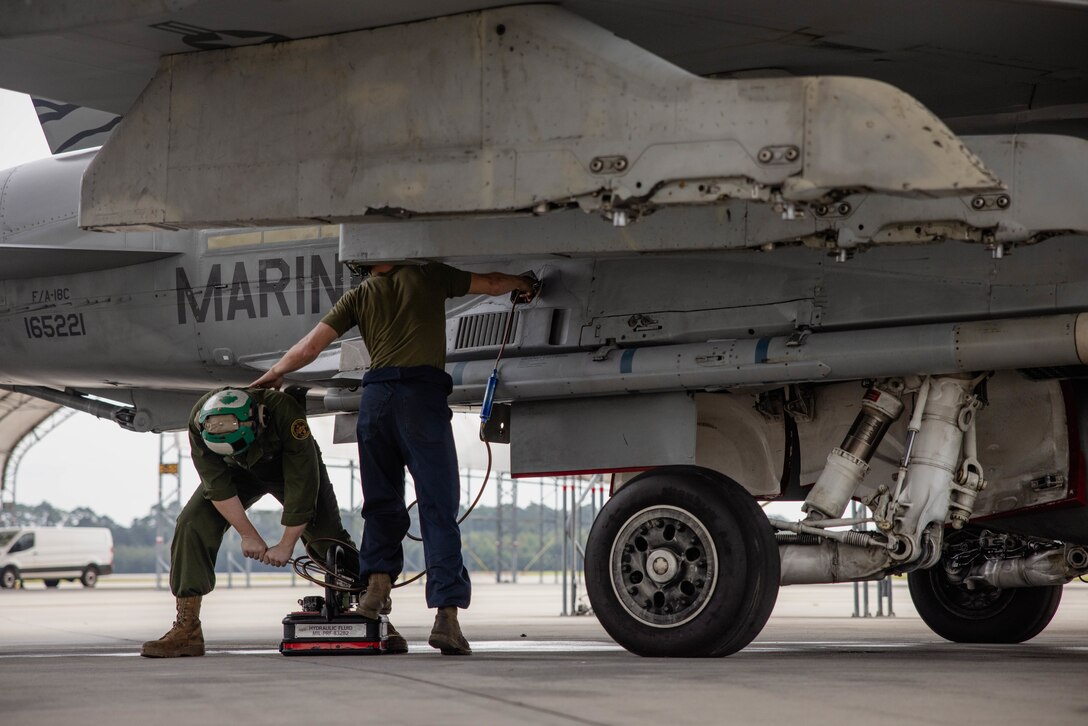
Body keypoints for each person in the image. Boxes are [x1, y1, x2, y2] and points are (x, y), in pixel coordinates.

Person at [251, 262, 537, 655]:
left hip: (375, 404)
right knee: (437, 507)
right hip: (421, 400)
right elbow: (490, 282)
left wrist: (275, 373)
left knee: (381, 504)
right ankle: (446, 617)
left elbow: (310, 348)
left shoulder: (359, 296)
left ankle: (376, 591)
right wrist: (524, 282)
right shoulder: (429, 275)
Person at [140, 387, 393, 657]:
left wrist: (286, 545)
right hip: (236, 468)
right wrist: (248, 535)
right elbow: (217, 487)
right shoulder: (199, 421)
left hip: (287, 463)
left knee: (327, 538)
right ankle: (187, 629)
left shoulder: (285, 413)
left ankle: (375, 615)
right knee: (192, 523)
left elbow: (302, 486)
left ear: (258, 419)